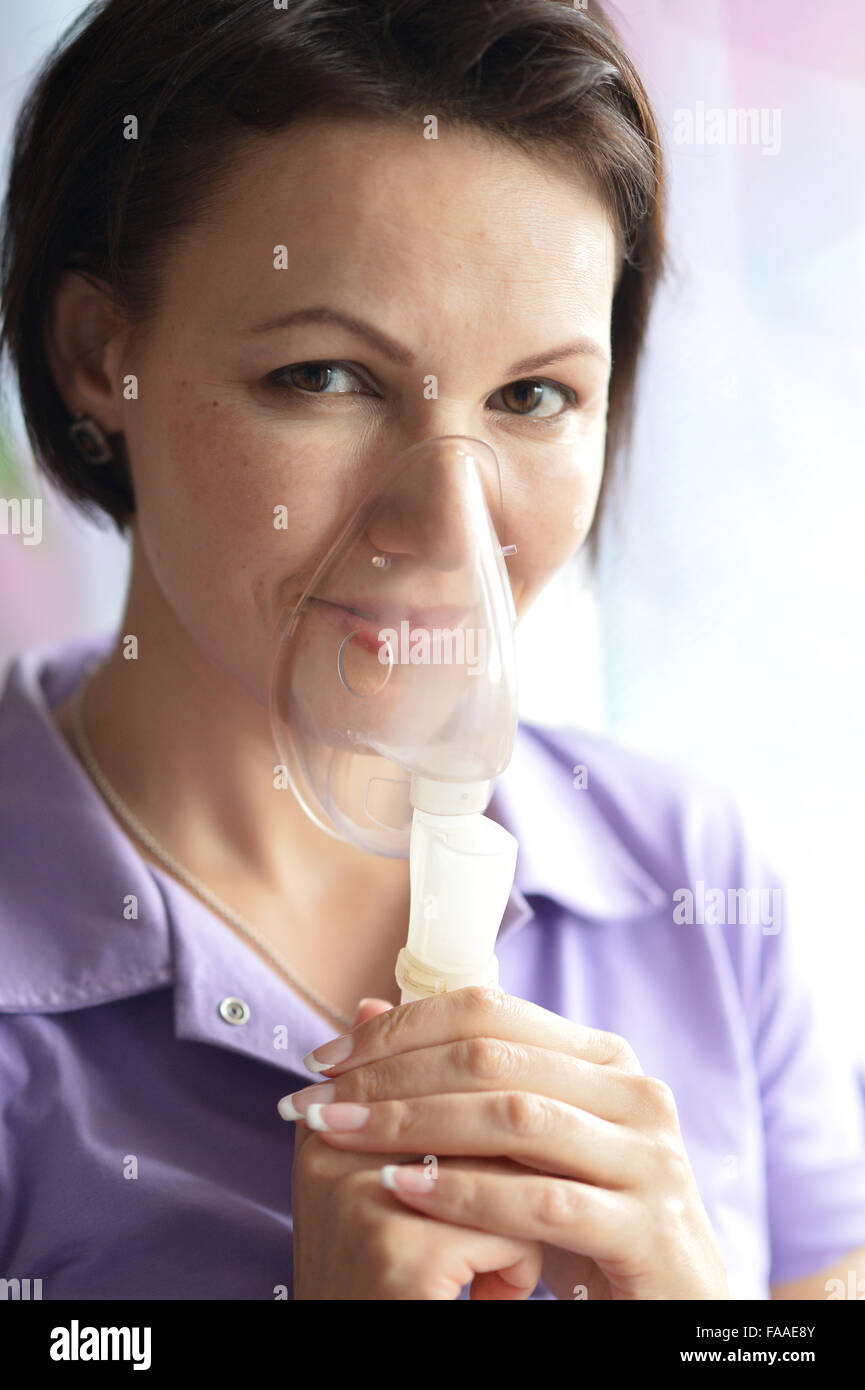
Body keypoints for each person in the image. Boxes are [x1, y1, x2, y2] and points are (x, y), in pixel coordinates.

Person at [1, 0, 864, 1302]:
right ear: (94, 354)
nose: (448, 530)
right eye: (327, 378)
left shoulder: (687, 876)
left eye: (530, 396)